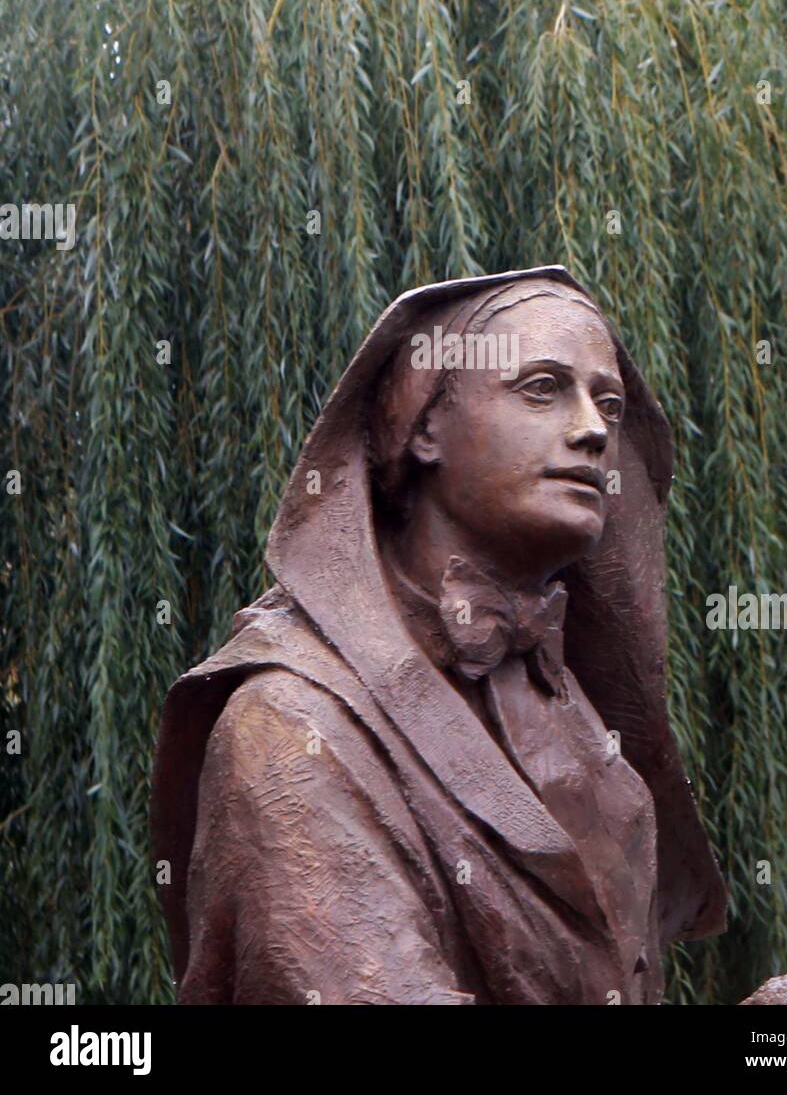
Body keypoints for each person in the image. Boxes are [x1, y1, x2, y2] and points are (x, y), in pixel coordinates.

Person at [150, 266, 727, 1004]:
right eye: (542, 388)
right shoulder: (293, 727)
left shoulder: (585, 728)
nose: (590, 429)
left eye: (608, 405)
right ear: (423, 426)